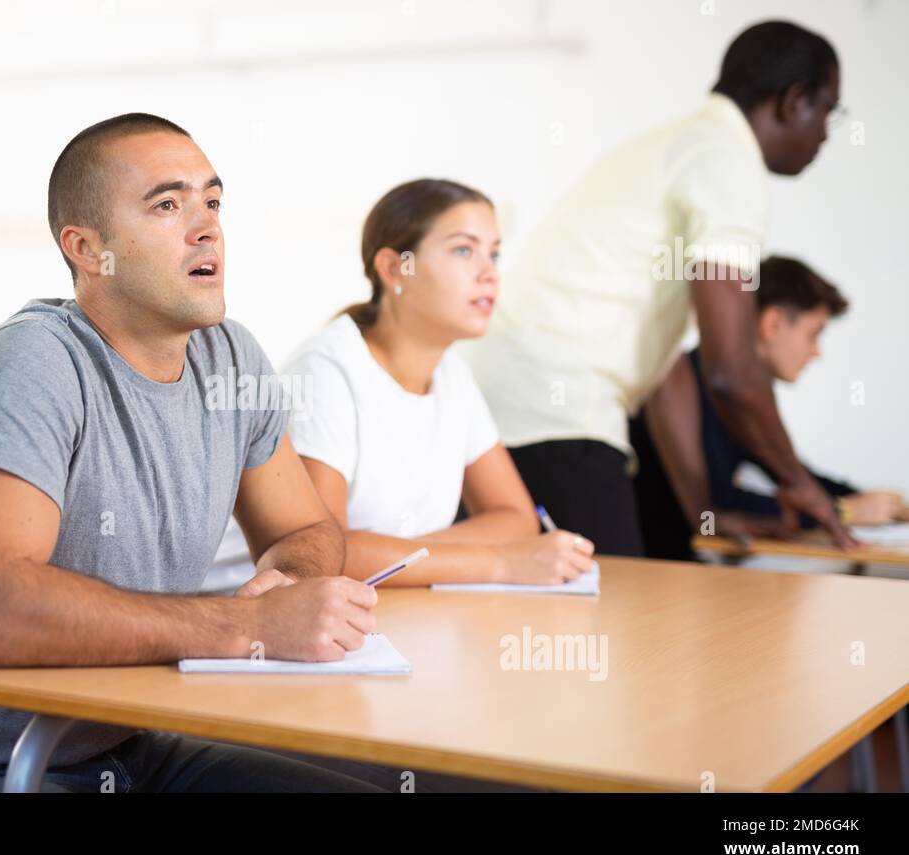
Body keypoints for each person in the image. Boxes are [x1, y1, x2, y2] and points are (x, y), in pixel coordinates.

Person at [0, 113, 384, 793]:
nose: (206, 227)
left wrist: (288, 579)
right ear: (86, 248)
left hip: (132, 743)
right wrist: (247, 623)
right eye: (168, 205)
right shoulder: (31, 360)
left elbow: (305, 529)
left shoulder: (233, 358)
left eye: (212, 201)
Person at [460, 20, 849, 555]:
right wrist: (802, 487)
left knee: (574, 614)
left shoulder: (680, 145)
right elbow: (731, 371)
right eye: (828, 110)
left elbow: (667, 377)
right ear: (794, 101)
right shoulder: (727, 161)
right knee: (613, 618)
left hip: (506, 407)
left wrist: (703, 516)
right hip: (554, 413)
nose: (828, 133)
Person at [207, 179, 594, 593]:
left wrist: (396, 557)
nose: (489, 274)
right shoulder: (326, 371)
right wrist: (496, 562)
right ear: (394, 268)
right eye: (464, 250)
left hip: (380, 604)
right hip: (238, 610)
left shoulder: (452, 375)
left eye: (494, 253)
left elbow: (515, 517)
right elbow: (324, 555)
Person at [633, 256, 906, 560]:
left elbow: (795, 476)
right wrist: (848, 511)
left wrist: (882, 503)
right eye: (813, 333)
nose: (816, 352)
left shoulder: (727, 394)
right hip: (650, 567)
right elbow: (720, 503)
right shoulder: (696, 387)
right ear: (773, 324)